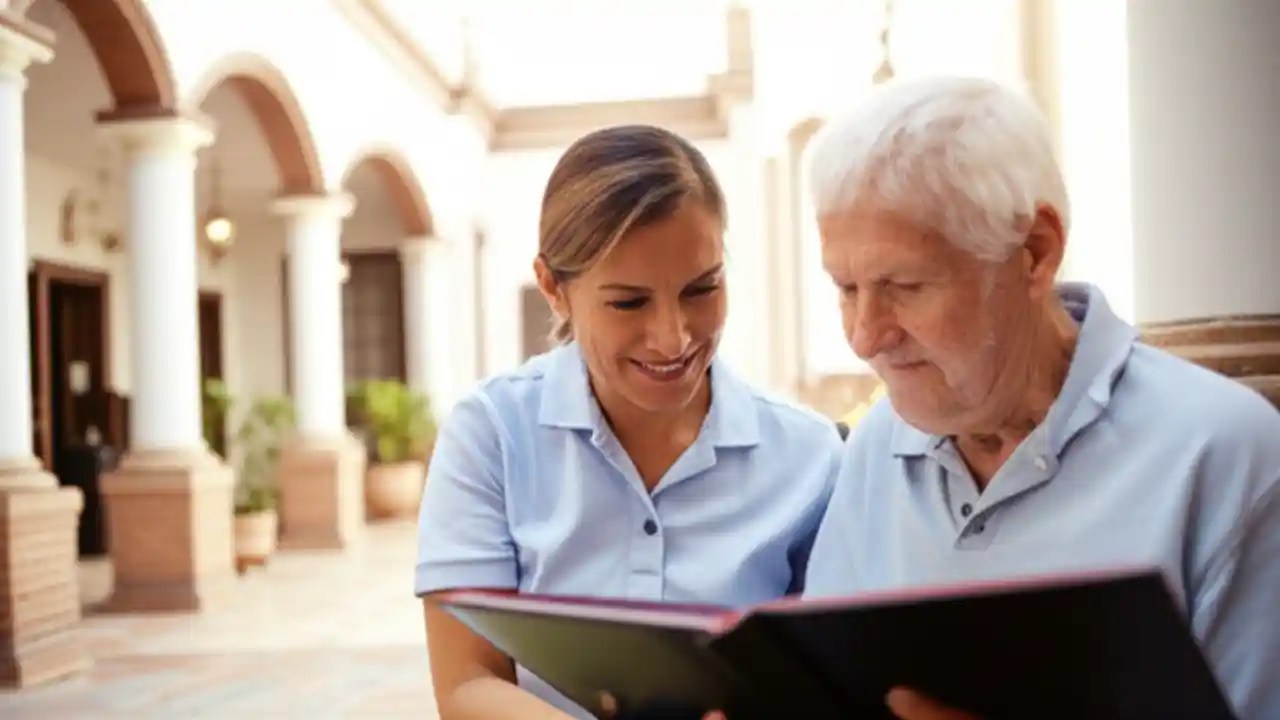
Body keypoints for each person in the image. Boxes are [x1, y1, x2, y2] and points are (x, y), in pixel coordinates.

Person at [797, 76, 1280, 719]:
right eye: (846, 289)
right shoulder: (877, 446)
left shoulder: (1225, 454)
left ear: (1034, 252)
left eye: (904, 285)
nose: (864, 337)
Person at [415, 125, 842, 720]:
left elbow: (830, 681)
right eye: (628, 302)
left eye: (702, 288)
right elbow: (467, 681)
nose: (674, 336)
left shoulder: (811, 455)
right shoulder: (490, 435)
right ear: (553, 289)